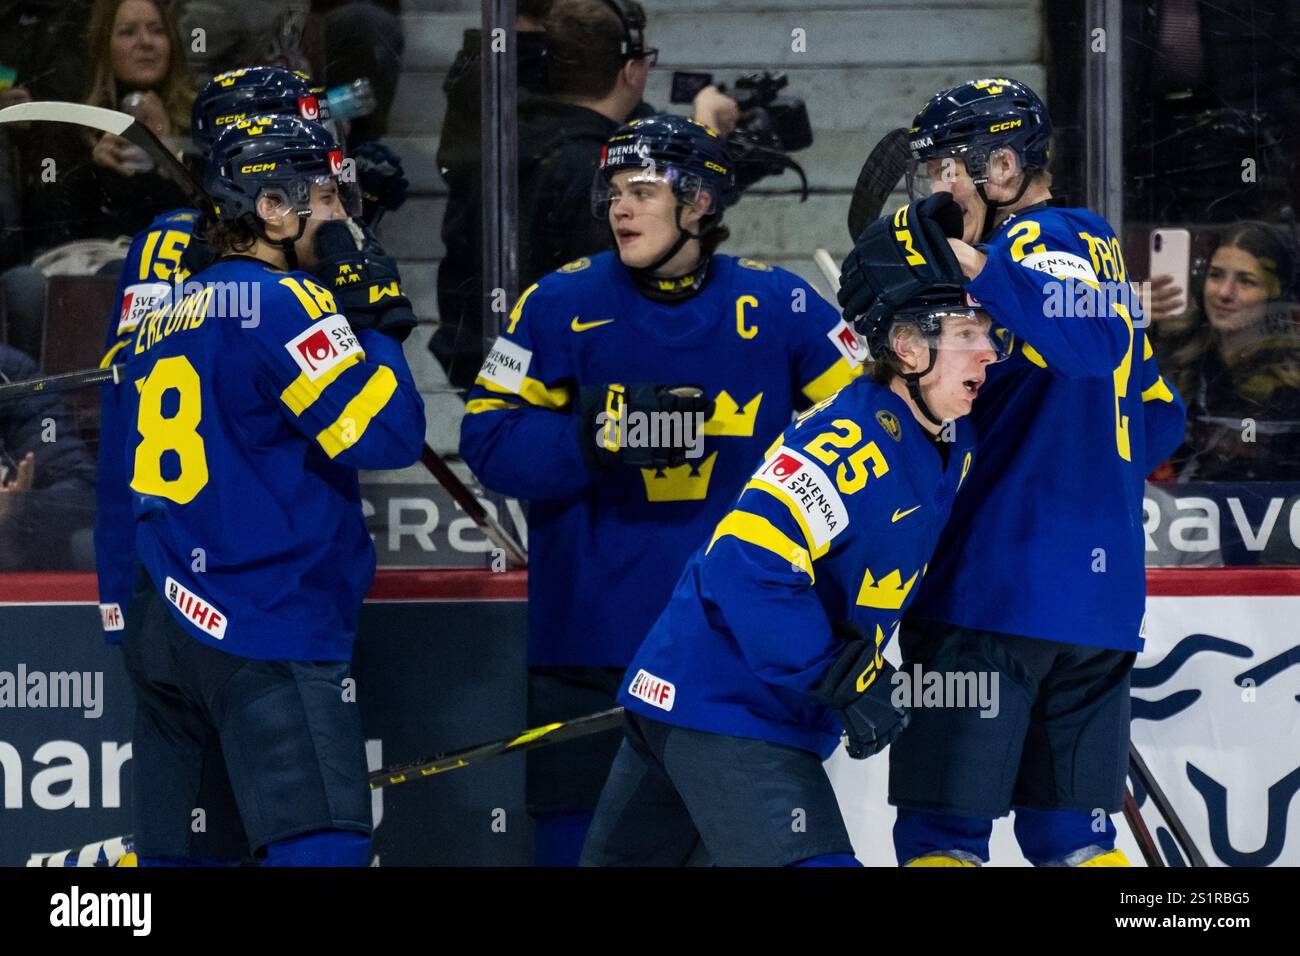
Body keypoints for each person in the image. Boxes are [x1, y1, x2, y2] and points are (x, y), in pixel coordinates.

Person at [459, 114, 866, 865]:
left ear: (701, 203)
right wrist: (601, 433)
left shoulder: (784, 306)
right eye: (614, 190)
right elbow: (486, 445)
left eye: (642, 190)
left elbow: (873, 434)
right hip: (589, 649)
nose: (620, 207)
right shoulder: (556, 303)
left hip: (729, 658)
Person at [838, 77, 1187, 867]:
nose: (935, 188)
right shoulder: (1090, 254)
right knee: (1072, 840)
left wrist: (963, 262)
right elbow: (1160, 415)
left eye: (944, 170)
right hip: (1096, 612)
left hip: (987, 592)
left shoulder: (1031, 244)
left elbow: (1088, 346)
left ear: (1001, 166)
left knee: (942, 838)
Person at [582, 283, 999, 866]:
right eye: (966, 336)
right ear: (906, 346)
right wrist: (842, 677)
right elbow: (745, 562)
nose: (988, 352)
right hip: (727, 705)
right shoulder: (843, 443)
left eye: (987, 335)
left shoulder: (953, 440)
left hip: (723, 707)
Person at [115, 113, 425, 865]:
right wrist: (376, 323)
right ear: (272, 207)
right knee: (322, 852)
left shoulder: (169, 312)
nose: (343, 215)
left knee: (185, 859)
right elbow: (387, 436)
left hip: (165, 620)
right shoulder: (290, 305)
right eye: (325, 195)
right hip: (260, 621)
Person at [95, 64, 416, 641]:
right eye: (296, 128)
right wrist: (121, 585)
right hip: (210, 571)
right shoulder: (175, 240)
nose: (319, 145)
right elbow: (130, 396)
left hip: (260, 564)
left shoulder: (280, 256)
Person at [432, 0, 740, 390]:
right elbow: (658, 265)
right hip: (566, 379)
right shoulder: (597, 172)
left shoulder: (510, 133)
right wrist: (705, 135)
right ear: (631, 71)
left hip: (492, 356)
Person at [1148, 222, 1300, 481]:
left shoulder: (1290, 386)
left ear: (1276, 295)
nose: (1224, 293)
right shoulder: (1174, 357)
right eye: (1216, 275)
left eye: (1246, 281)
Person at [0, 341, 97, 571]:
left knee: (88, 547)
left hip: (17, 567)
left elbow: (81, 484)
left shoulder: (15, 375)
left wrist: (25, 507)